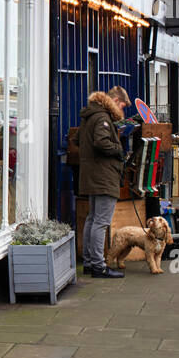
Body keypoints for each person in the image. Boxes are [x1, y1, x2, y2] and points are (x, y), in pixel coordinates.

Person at [78, 89, 128, 278]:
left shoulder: (89, 116)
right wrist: (119, 149)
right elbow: (101, 142)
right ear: (115, 100)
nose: (121, 109)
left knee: (92, 219)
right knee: (101, 222)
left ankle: (90, 263)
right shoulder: (102, 118)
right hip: (103, 176)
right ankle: (99, 266)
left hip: (91, 175)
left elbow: (77, 140)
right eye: (122, 105)